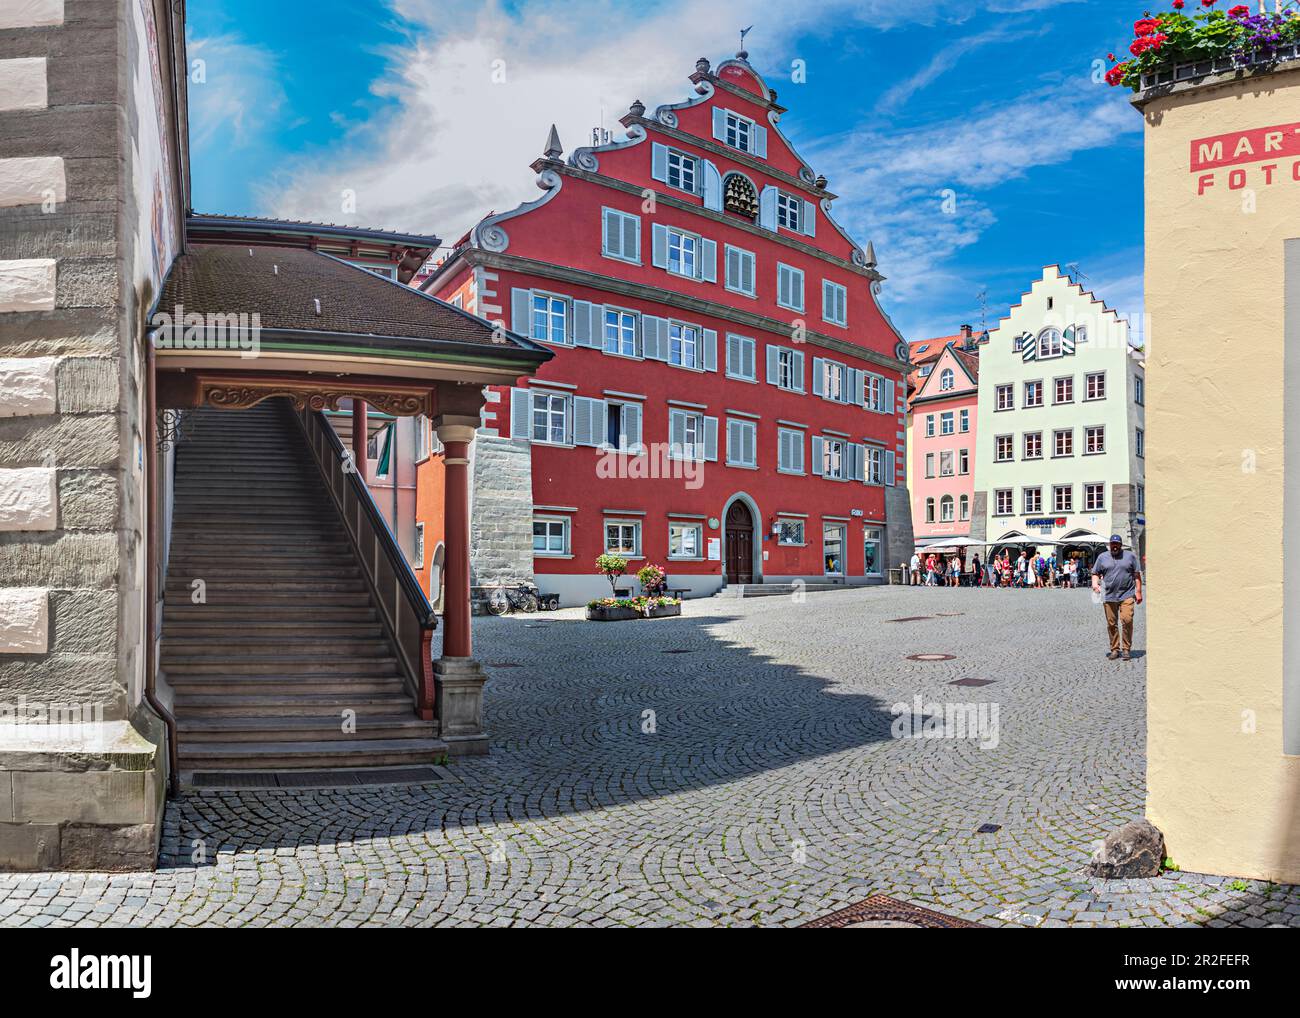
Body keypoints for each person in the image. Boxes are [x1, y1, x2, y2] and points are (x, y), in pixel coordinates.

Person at [1091, 534, 1143, 660]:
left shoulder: (1130, 556)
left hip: (1127, 594)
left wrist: (1139, 591)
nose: (1115, 546)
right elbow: (1095, 573)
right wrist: (1095, 585)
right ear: (1110, 544)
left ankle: (1126, 649)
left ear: (1121, 545)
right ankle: (1115, 649)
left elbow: (1136, 575)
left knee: (1127, 620)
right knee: (1111, 623)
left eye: (1117, 544)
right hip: (1108, 595)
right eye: (1113, 544)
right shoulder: (1102, 557)